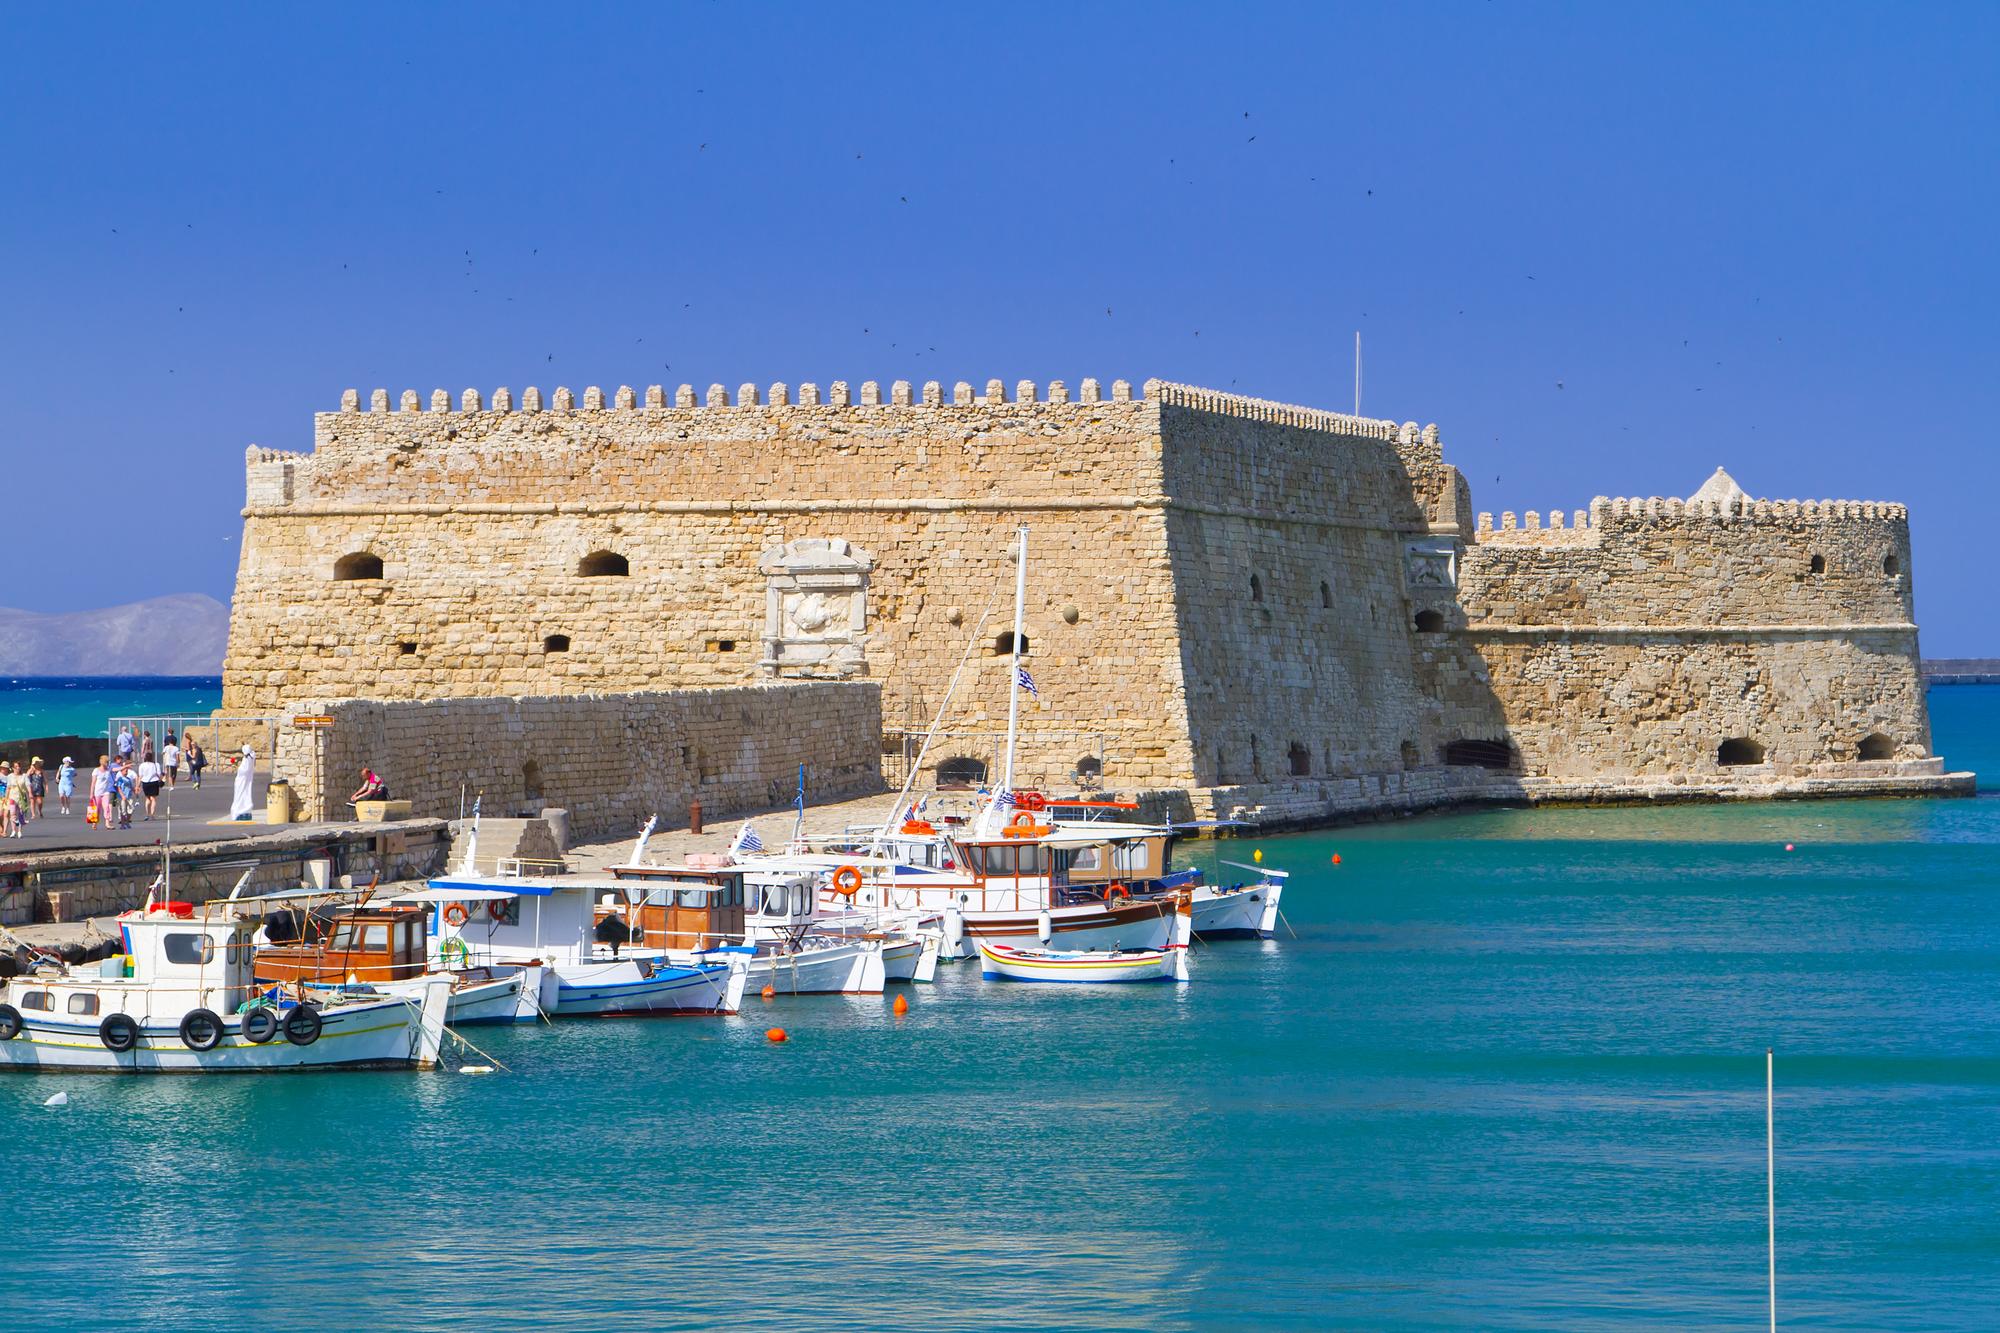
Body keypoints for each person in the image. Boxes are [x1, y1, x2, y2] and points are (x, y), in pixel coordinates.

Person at [230, 746, 257, 821]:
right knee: (244, 794)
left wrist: (237, 767)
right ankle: (243, 810)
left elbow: (243, 771)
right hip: (245, 780)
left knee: (240, 795)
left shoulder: (247, 759)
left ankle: (239, 811)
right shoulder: (250, 758)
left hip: (242, 781)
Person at [89, 757, 112, 831]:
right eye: (106, 762)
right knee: (97, 808)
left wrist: (125, 766)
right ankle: (94, 823)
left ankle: (107, 823)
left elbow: (115, 769)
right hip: (97, 792)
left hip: (106, 792)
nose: (107, 763)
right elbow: (93, 783)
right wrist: (91, 793)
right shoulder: (96, 770)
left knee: (106, 807)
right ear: (102, 762)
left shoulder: (108, 770)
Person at [137, 754, 163, 820]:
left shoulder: (142, 765)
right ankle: (152, 815)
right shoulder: (156, 764)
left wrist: (138, 785)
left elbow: (140, 776)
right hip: (154, 782)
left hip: (145, 782)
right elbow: (159, 774)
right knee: (153, 799)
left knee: (147, 798)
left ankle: (147, 814)